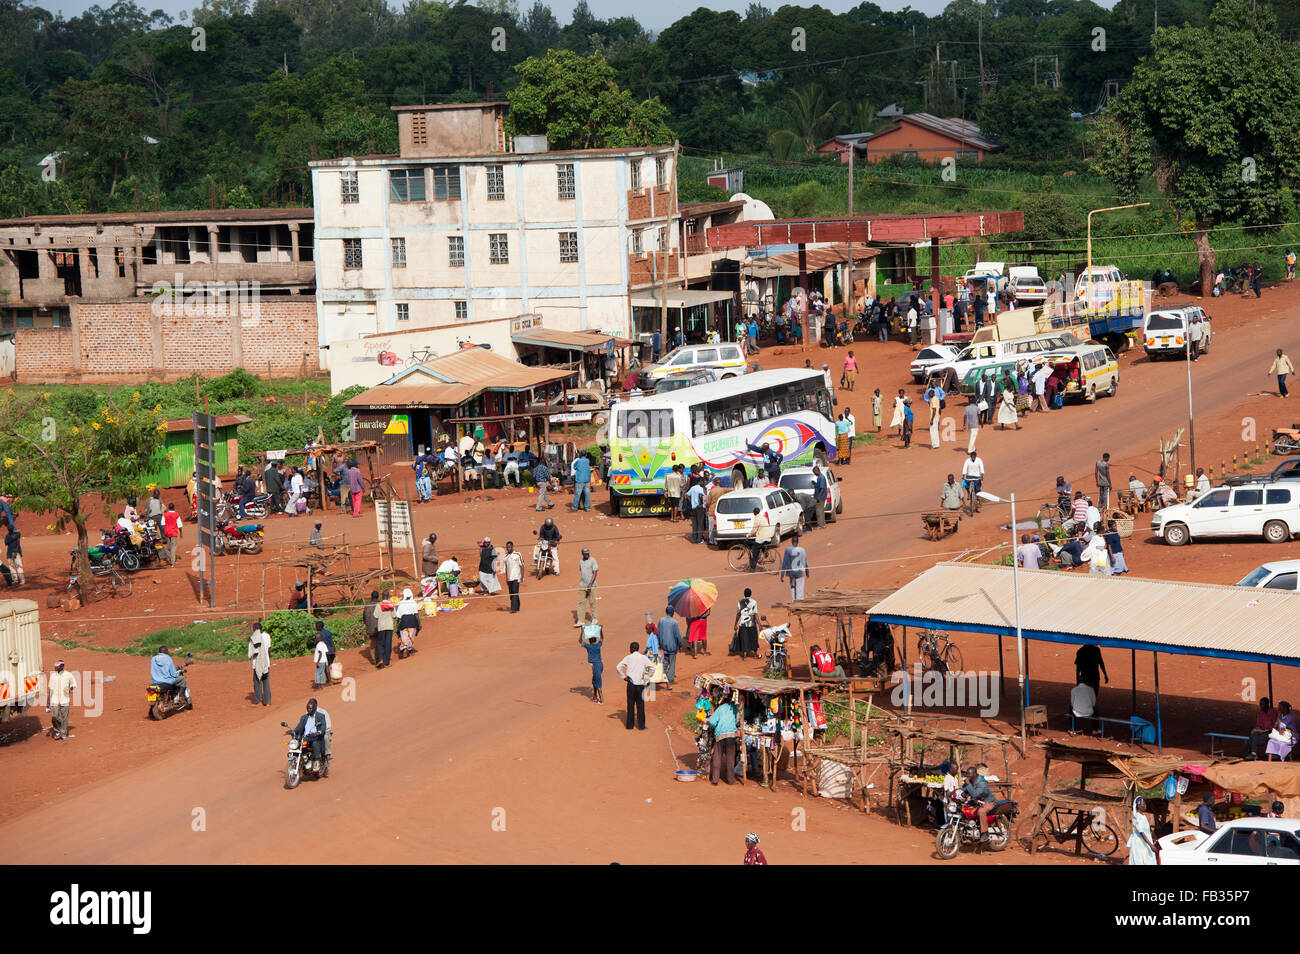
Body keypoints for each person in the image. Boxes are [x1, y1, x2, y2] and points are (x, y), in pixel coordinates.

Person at [616, 641, 652, 730]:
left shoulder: (628, 657)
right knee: (640, 705)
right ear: (638, 648)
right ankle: (641, 726)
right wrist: (646, 679)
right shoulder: (643, 658)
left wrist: (624, 677)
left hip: (631, 684)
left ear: (632, 649)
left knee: (630, 705)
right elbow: (652, 668)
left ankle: (629, 725)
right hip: (640, 684)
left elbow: (618, 667)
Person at [708, 692, 739, 785]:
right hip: (731, 735)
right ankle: (731, 780)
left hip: (720, 735)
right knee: (730, 758)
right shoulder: (735, 709)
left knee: (717, 757)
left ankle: (715, 780)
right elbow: (739, 721)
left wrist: (717, 726)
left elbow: (712, 722)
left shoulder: (720, 709)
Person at [292, 699, 329, 774]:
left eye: (310, 708)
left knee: (315, 743)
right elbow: (299, 727)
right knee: (296, 743)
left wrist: (318, 732)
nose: (309, 710)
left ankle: (317, 761)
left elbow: (323, 726)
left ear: (315, 707)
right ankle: (299, 760)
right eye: (308, 708)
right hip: (306, 737)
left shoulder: (321, 716)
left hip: (316, 737)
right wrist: (293, 731)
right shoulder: (304, 717)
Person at [46, 659, 76, 741]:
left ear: (62, 666)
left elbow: (73, 684)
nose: (55, 667)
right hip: (54, 700)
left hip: (65, 699)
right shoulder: (53, 676)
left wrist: (70, 688)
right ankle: (58, 730)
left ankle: (63, 733)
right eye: (55, 665)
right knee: (54, 716)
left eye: (57, 665)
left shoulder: (69, 675)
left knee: (65, 717)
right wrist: (48, 701)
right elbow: (50, 689)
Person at [960, 766, 995, 836]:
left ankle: (984, 833)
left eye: (969, 774)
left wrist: (968, 784)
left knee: (981, 811)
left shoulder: (981, 783)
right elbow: (964, 790)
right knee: (964, 810)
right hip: (976, 802)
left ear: (975, 774)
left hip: (988, 802)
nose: (967, 776)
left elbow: (975, 794)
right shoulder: (970, 781)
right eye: (967, 774)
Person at [579, 617, 604, 704]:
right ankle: (594, 696)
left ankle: (601, 700)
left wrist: (582, 631)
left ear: (589, 641)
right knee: (594, 681)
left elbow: (580, 641)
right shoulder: (598, 645)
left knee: (598, 681)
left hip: (595, 665)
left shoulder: (589, 646)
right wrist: (601, 630)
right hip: (600, 664)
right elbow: (602, 639)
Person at [1128, 796, 1157, 865]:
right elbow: (1142, 832)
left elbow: (1147, 828)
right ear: (1139, 806)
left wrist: (1154, 836)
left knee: (1147, 859)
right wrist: (1151, 845)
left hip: (1144, 842)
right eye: (1143, 804)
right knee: (1141, 860)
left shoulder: (1143, 816)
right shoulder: (1137, 818)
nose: (1145, 806)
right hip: (1139, 843)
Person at [779, 534, 810, 601]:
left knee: (793, 586)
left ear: (791, 542)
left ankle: (794, 600)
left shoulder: (788, 550)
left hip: (791, 573)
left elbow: (784, 562)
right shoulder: (802, 550)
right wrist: (807, 572)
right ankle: (799, 601)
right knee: (800, 587)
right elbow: (805, 562)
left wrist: (782, 575)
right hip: (799, 573)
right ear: (798, 542)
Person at [657, 606, 683, 686]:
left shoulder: (661, 620)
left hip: (664, 645)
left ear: (666, 612)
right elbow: (677, 635)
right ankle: (670, 678)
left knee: (665, 661)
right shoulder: (674, 622)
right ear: (672, 613)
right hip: (672, 646)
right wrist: (680, 644)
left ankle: (661, 676)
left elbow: (658, 633)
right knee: (672, 662)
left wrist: (659, 643)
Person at [248, 621, 271, 706]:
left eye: (253, 629)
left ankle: (258, 701)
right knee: (266, 682)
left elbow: (252, 652)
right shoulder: (267, 636)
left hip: (257, 663)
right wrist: (268, 660)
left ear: (256, 629)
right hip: (266, 663)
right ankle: (268, 701)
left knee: (257, 682)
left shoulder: (254, 638)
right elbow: (269, 650)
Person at [575, 548, 599, 626]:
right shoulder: (581, 561)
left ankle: (594, 618)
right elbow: (581, 571)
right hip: (582, 584)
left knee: (592, 602)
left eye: (588, 553)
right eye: (585, 553)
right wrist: (584, 584)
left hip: (592, 585)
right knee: (581, 603)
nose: (587, 554)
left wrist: (590, 584)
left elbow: (595, 572)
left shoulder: (593, 560)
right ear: (582, 554)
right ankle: (580, 620)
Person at [733, 589, 759, 660]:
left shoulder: (740, 602)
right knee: (754, 639)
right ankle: (755, 654)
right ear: (750, 594)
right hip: (752, 624)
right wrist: (759, 625)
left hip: (743, 624)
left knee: (744, 639)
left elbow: (738, 614)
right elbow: (755, 614)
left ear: (744, 594)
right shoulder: (753, 602)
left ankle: (744, 655)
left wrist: (735, 624)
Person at [395, 587, 421, 658]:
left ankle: (403, 649)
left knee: (404, 636)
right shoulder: (413, 602)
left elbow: (398, 616)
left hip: (404, 621)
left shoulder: (401, 604)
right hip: (412, 621)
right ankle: (409, 649)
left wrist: (397, 623)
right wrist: (419, 623)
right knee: (411, 636)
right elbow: (416, 614)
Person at [374, 591, 395, 668]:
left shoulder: (379, 605)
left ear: (382, 596)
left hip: (381, 627)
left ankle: (381, 659)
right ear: (388, 596)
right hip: (389, 626)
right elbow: (394, 615)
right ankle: (387, 662)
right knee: (388, 644)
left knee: (380, 643)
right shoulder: (391, 605)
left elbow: (375, 616)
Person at [503, 541, 523, 613]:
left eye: (510, 547)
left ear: (512, 547)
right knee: (512, 593)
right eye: (507, 547)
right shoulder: (505, 557)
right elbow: (506, 568)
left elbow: (522, 565)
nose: (508, 548)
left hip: (516, 576)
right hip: (509, 578)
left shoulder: (517, 554)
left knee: (514, 592)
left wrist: (522, 576)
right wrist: (506, 579)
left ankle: (513, 608)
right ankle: (517, 606)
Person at [686, 477, 707, 544]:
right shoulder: (701, 489)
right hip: (699, 508)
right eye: (703, 482)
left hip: (693, 508)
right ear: (700, 482)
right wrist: (700, 503)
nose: (704, 483)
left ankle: (694, 539)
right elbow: (701, 496)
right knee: (700, 524)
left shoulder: (692, 488)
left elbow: (687, 495)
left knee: (695, 524)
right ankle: (699, 540)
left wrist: (691, 502)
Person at [811, 465, 828, 529]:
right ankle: (823, 524)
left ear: (816, 471)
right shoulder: (820, 477)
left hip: (820, 497)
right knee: (821, 510)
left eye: (814, 472)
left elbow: (822, 488)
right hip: (820, 496)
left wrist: (818, 497)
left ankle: (820, 525)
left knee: (819, 511)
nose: (814, 474)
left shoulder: (821, 478)